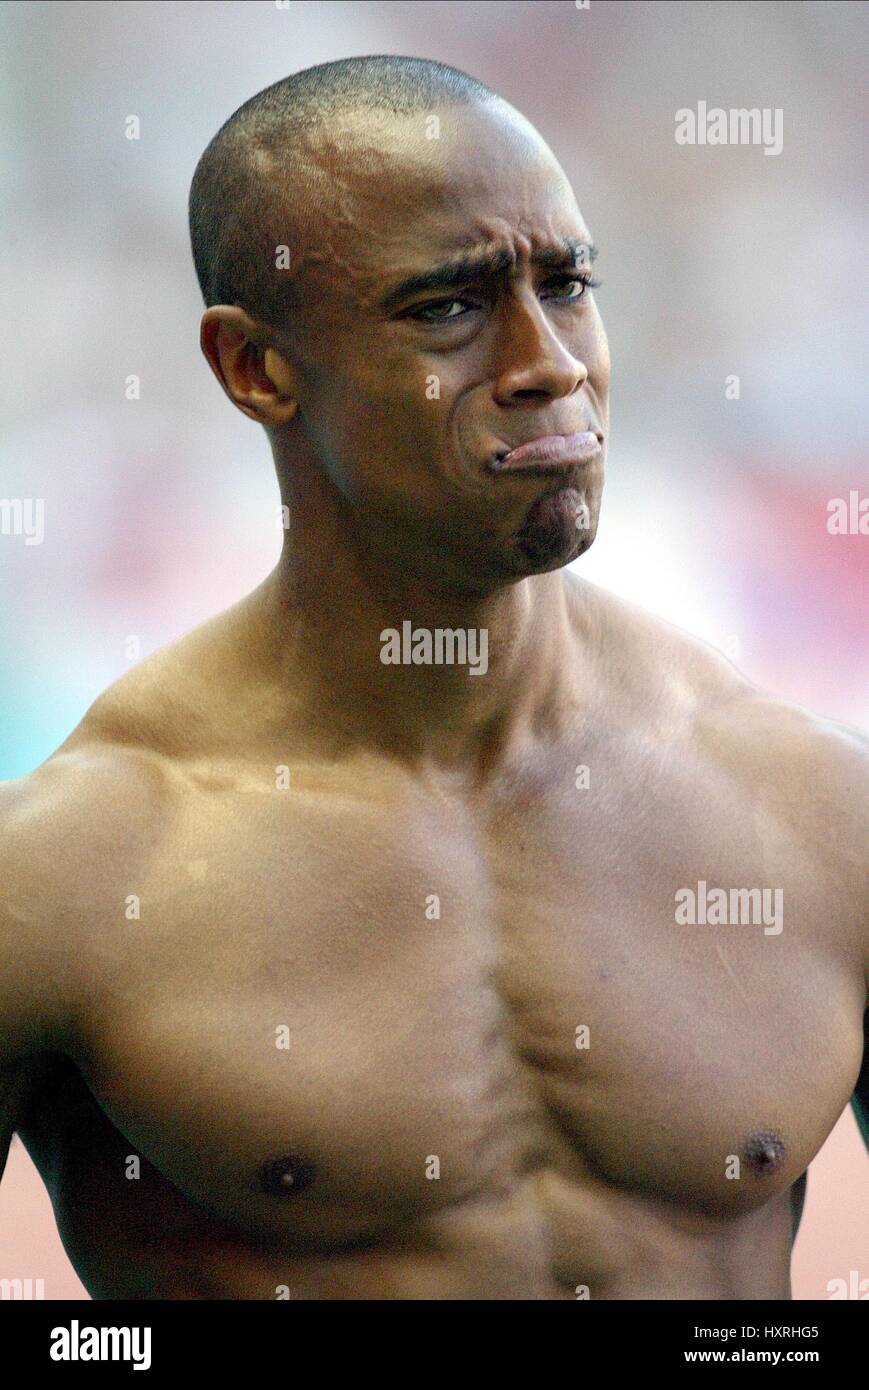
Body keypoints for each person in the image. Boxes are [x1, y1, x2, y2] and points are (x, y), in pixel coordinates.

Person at [1, 56, 866, 1300]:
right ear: (255, 369)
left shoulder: (818, 811)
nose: (548, 361)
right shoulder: (70, 873)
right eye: (449, 308)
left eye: (565, 284)